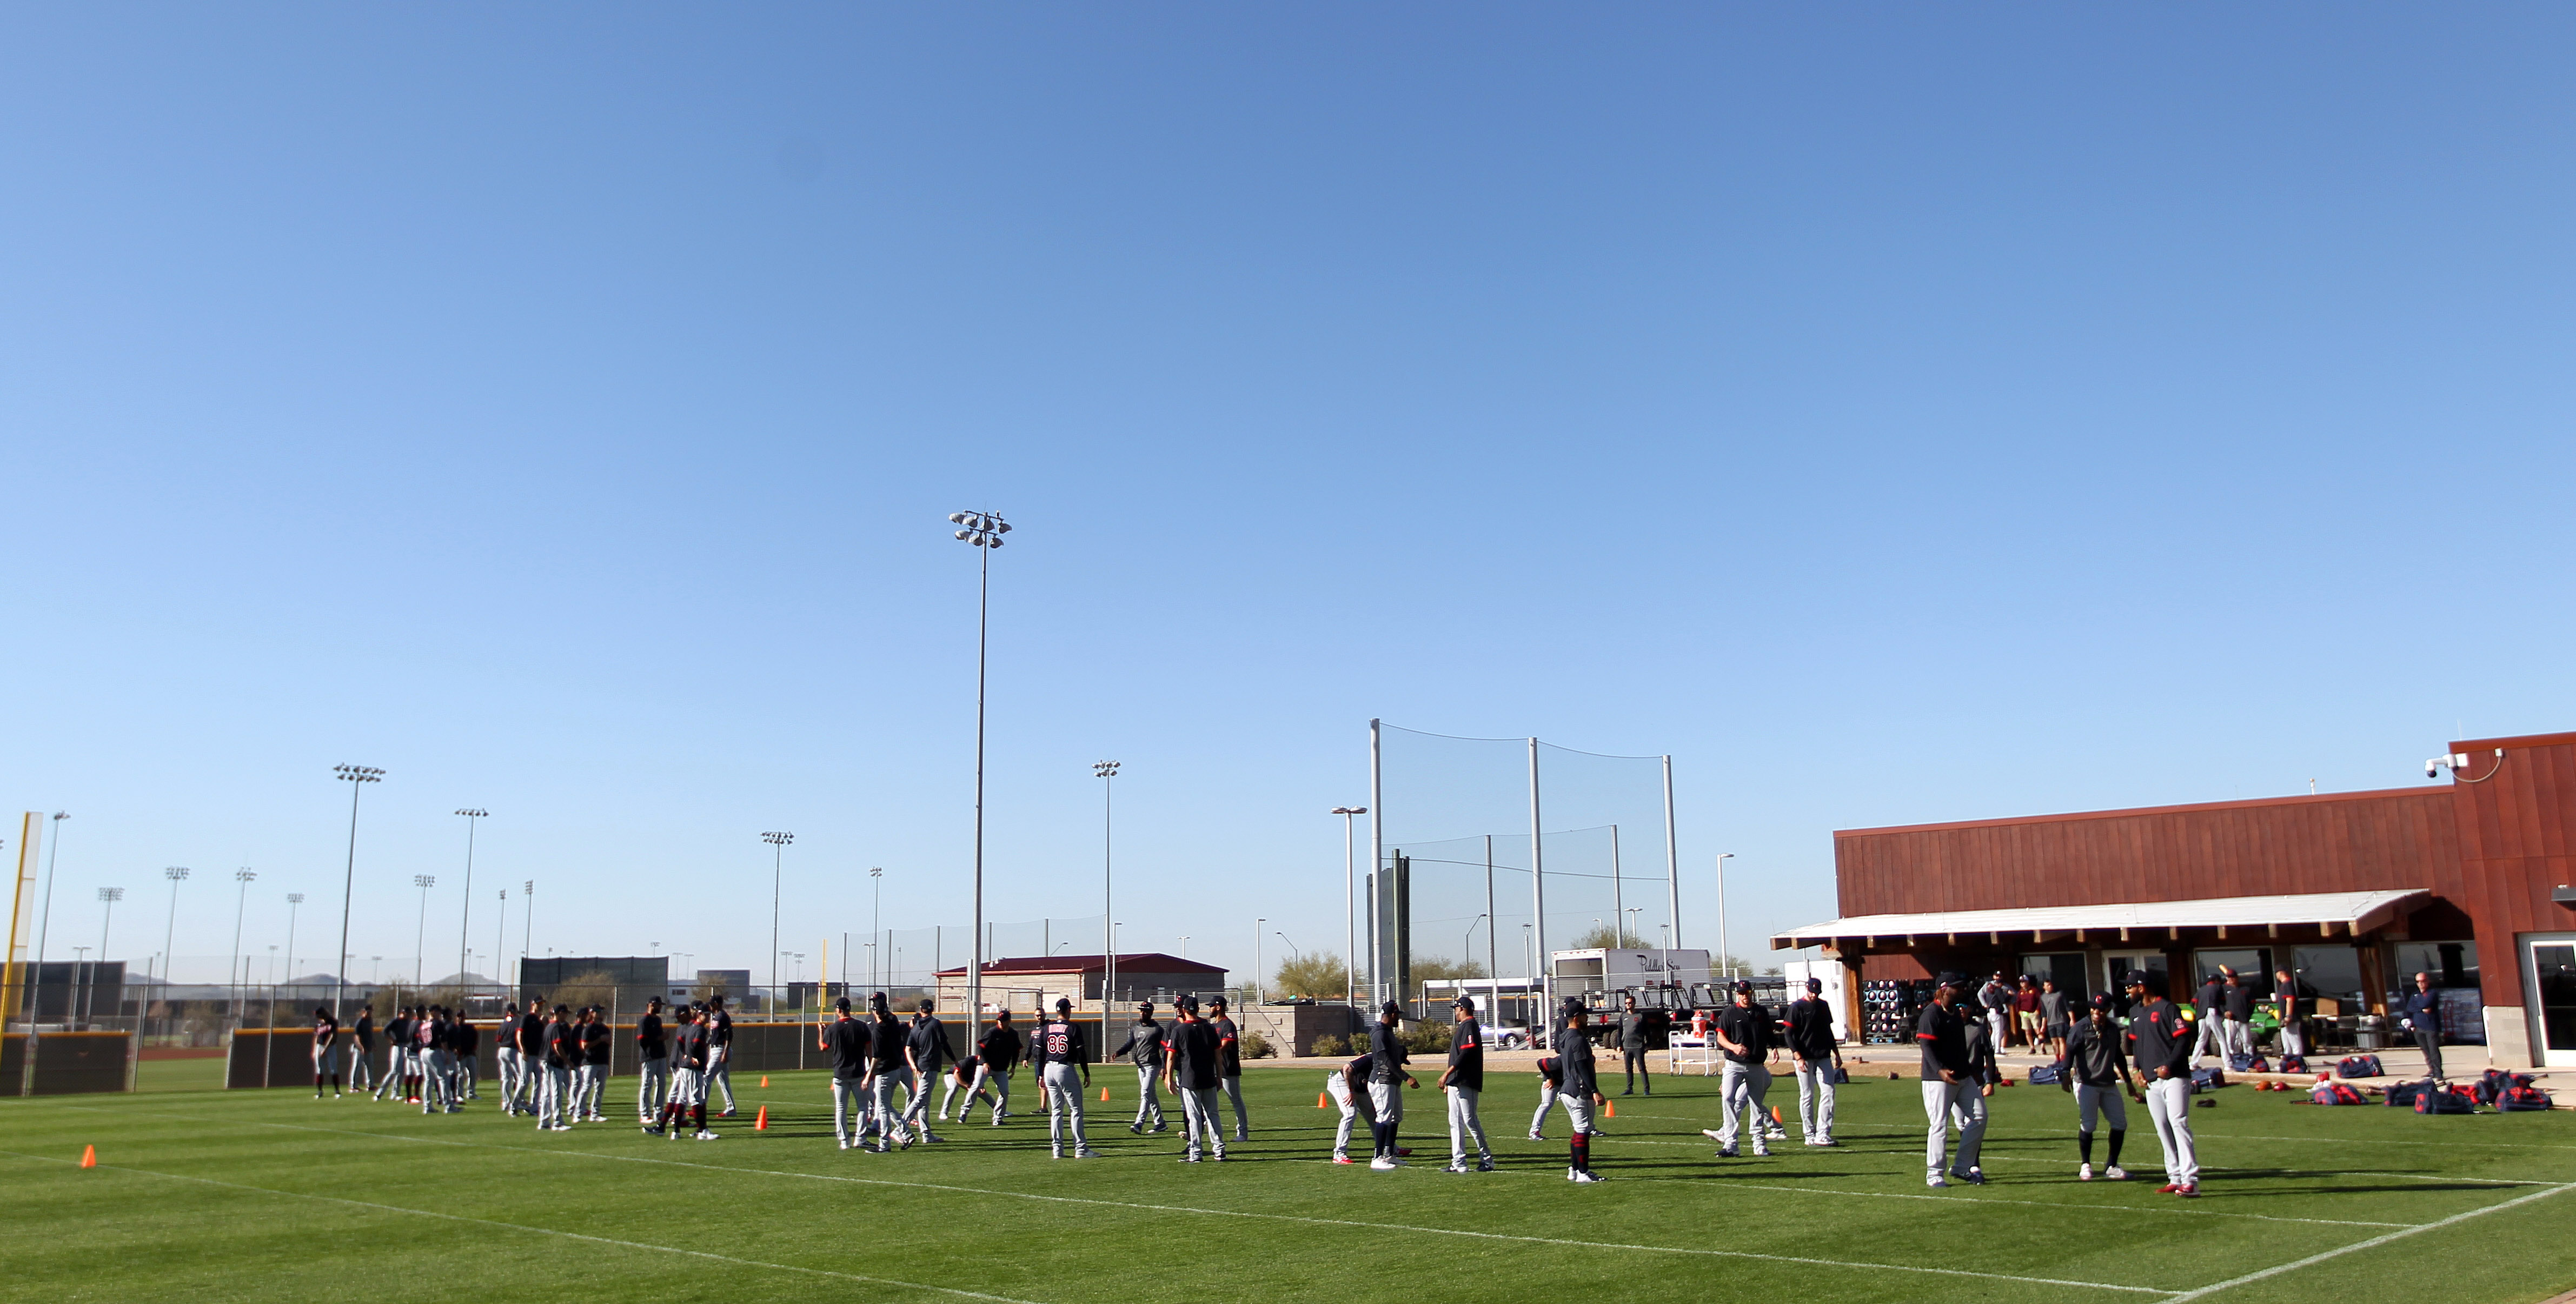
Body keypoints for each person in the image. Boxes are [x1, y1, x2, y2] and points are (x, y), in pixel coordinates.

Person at [2123, 969, 2198, 1196]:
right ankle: (2174, 1177)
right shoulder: (2135, 1012)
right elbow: (2137, 1046)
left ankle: (2190, 1180)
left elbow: (2184, 1039)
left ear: (2141, 987)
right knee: (2162, 1128)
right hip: (2151, 1081)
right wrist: (2136, 1069)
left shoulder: (2167, 1008)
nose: (2127, 991)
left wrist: (2169, 1065)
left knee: (2178, 1123)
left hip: (2175, 1077)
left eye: (2130, 987)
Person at [2061, 993, 2141, 1181]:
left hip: (2108, 1083)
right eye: (2094, 1009)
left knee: (2120, 1123)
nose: (2097, 1012)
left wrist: (2128, 1083)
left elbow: (2118, 1056)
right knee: (2089, 1124)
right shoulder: (2081, 1028)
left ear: (2108, 1010)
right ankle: (2086, 1164)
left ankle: (2112, 1165)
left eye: (2101, 1009)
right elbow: (2070, 1051)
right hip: (2086, 1083)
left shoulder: (2113, 1029)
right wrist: (2065, 1074)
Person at [1917, 972, 1985, 1189]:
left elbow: (1959, 1047)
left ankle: (1962, 1166)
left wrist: (1970, 1070)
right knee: (1939, 1125)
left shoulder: (1955, 1013)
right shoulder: (1931, 1014)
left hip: (1963, 1076)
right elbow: (1926, 1046)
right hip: (1938, 1080)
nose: (1963, 989)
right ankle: (1934, 1175)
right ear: (1945, 990)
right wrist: (1939, 1070)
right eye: (1958, 987)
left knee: (1980, 1117)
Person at [1701, 979, 1777, 1157]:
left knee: (1756, 1104)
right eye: (1742, 993)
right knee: (1728, 1098)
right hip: (1734, 1064)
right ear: (1737, 995)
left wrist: (1774, 1048)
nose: (1745, 996)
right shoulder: (1730, 1012)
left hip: (1756, 1064)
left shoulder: (1761, 1011)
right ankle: (1731, 1144)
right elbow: (1721, 1037)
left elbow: (1769, 1032)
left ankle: (1759, 1144)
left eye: (1747, 993)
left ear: (1752, 993)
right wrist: (1733, 1047)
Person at [1163, 993, 1227, 1162]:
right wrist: (1219, 1076)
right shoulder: (1209, 1028)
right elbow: (1218, 1054)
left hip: (1189, 1079)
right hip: (1208, 1077)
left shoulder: (1179, 1030)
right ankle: (1219, 1150)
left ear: (1184, 1011)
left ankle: (1196, 1152)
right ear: (1198, 1009)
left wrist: (1168, 1078)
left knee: (1194, 1117)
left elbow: (1171, 1057)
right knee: (1213, 1114)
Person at [1031, 997, 1098, 1159]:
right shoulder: (1073, 1027)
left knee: (1056, 1111)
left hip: (1049, 1069)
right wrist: (1086, 1073)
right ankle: (1081, 1149)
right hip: (1064, 1068)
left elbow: (1040, 1053)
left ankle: (1057, 1150)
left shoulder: (1047, 1028)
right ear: (1068, 1010)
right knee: (1076, 1110)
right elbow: (1081, 1053)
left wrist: (1040, 1074)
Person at [1782, 976, 1841, 1147]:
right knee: (1808, 1095)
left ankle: (1823, 1133)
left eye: (1817, 992)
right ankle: (1809, 1134)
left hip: (1823, 1055)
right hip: (1804, 1057)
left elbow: (1828, 1032)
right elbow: (1788, 1035)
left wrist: (1837, 1054)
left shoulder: (1823, 1006)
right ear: (1807, 989)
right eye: (1812, 992)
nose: (1814, 995)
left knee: (1829, 1092)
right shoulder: (1797, 1007)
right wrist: (1798, 1057)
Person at [1437, 994, 1493, 1173]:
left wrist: (1447, 1074)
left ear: (1462, 1008)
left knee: (1470, 1120)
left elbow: (1466, 1053)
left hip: (1467, 1080)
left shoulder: (1470, 1025)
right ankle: (1459, 1161)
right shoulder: (1464, 1026)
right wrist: (1450, 1080)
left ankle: (1487, 1159)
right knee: (1455, 1121)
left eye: (1456, 1008)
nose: (1455, 1012)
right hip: (1456, 1081)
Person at [1363, 1001, 1419, 1170]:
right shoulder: (1380, 1034)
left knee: (1396, 1117)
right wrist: (1407, 1077)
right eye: (1397, 1015)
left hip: (1392, 1080)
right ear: (1393, 1015)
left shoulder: (1387, 1032)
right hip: (1382, 1080)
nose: (1398, 1019)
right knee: (1384, 1118)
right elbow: (1385, 1061)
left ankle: (1389, 1155)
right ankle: (1377, 1157)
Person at [1554, 998, 1606, 1182]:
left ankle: (1574, 1169)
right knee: (1583, 1131)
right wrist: (1595, 1090)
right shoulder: (1578, 1039)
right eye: (1585, 1015)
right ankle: (1583, 1173)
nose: (1587, 1018)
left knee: (1578, 1131)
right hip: (1579, 1091)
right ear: (1577, 1018)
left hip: (1567, 1089)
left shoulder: (1565, 1038)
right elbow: (1582, 1066)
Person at [1951, 988, 1999, 1181]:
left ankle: (1974, 1165)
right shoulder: (1948, 1027)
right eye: (1958, 1005)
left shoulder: (1978, 1029)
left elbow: (1989, 1055)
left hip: (1974, 1081)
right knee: (1961, 1125)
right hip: (1952, 1082)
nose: (1961, 1009)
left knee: (1975, 1122)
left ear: (1970, 1008)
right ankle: (1964, 1164)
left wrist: (1990, 1081)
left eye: (1964, 1006)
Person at [818, 996, 872, 1149]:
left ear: (838, 1010)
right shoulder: (862, 1026)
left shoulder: (833, 1028)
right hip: (859, 1073)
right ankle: (860, 1139)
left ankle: (844, 1141)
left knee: (841, 1108)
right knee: (863, 1107)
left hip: (840, 1074)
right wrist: (871, 1072)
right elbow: (870, 1052)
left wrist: (821, 1032)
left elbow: (823, 1047)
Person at [864, 993, 915, 1150]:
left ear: (875, 1012)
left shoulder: (878, 1030)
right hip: (896, 1069)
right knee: (885, 1106)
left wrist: (868, 1076)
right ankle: (906, 1133)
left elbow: (877, 1057)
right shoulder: (892, 1022)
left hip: (884, 1072)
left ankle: (885, 1144)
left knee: (883, 1109)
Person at [660, 1003, 718, 1140]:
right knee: (696, 1099)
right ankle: (703, 1131)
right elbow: (697, 1045)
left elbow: (680, 1040)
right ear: (699, 1014)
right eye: (706, 1015)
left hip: (685, 1067)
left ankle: (676, 1131)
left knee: (682, 1099)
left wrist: (686, 1054)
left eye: (709, 1015)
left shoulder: (691, 1026)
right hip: (693, 1068)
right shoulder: (700, 1029)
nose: (708, 1017)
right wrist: (694, 1056)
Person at [949, 1010, 1017, 1124]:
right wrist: (985, 1062)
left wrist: (1013, 1067)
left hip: (1001, 1068)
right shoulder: (992, 1032)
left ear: (1009, 1021)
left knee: (1004, 1092)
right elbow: (980, 1047)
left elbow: (1016, 1051)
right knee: (976, 1087)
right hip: (985, 1066)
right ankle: (964, 1113)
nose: (1000, 1022)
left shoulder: (1013, 1034)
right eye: (999, 1020)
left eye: (1003, 1020)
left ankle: (998, 1119)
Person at [1114, 1001, 1169, 1134]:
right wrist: (1119, 1053)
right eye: (1141, 1010)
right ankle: (1160, 1123)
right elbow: (1129, 1044)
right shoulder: (1136, 1028)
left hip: (1153, 1065)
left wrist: (1164, 1067)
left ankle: (1139, 1123)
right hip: (1141, 1066)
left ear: (1151, 1013)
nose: (1142, 1013)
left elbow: (1164, 1049)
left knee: (1145, 1093)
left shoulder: (1158, 1030)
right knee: (1151, 1094)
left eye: (1145, 1011)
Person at [901, 999, 948, 1143]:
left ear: (921, 1010)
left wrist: (913, 1066)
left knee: (924, 1101)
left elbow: (908, 1049)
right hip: (930, 1066)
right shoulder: (935, 1023)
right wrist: (955, 1059)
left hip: (921, 1066)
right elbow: (944, 1043)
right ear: (932, 1009)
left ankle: (926, 1135)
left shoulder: (916, 1026)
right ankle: (900, 1128)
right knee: (921, 1099)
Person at [1207, 995, 1251, 1142]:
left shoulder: (1228, 1025)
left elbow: (1225, 1046)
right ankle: (1197, 1129)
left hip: (1228, 1069)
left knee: (1236, 1100)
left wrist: (1210, 1057)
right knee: (1206, 1101)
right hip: (1214, 1070)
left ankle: (1243, 1133)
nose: (1210, 1009)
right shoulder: (1213, 1026)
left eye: (1211, 1006)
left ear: (1218, 1007)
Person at [1324, 1052, 1377, 1163]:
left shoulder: (1389, 1061)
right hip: (1341, 1082)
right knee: (1350, 1114)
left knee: (1374, 1116)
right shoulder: (1370, 1058)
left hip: (1360, 1089)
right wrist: (1351, 1091)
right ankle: (1339, 1153)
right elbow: (1347, 1069)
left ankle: (1390, 1148)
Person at [538, 1004, 576, 1133]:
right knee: (556, 1092)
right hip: (553, 1062)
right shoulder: (556, 1027)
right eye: (565, 1013)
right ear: (559, 1013)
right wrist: (568, 1061)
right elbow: (557, 1047)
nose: (566, 1016)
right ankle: (557, 1122)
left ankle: (544, 1121)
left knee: (547, 1093)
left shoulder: (550, 1026)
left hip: (546, 1061)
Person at [2401, 971, 2446, 1082]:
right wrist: (2421, 1010)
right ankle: (2432, 1070)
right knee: (2426, 1051)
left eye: (2423, 981)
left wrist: (2419, 1007)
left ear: (2428, 981)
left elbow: (2426, 1004)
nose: (2421, 984)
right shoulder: (2415, 995)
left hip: (2431, 1027)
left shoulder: (2432, 993)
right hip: (2418, 1027)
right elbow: (2410, 1008)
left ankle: (2438, 1073)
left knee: (2433, 1050)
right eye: (2418, 982)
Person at [634, 997, 669, 1126]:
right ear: (651, 1005)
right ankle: (644, 1114)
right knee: (647, 1084)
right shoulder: (645, 1021)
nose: (660, 1007)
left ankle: (659, 1113)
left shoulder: (658, 1019)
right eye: (659, 1005)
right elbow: (642, 1041)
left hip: (660, 1055)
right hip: (649, 1056)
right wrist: (660, 1038)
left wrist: (662, 1038)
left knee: (661, 1084)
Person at [510, 1000, 547, 1117]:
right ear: (533, 1005)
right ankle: (514, 1107)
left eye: (542, 1004)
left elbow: (543, 1038)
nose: (541, 1006)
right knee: (525, 1081)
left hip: (537, 1055)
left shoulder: (540, 1020)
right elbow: (519, 1035)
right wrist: (523, 1050)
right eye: (539, 1004)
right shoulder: (527, 1018)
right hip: (526, 1054)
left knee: (539, 1081)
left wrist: (544, 1024)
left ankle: (534, 1108)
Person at [577, 1006, 613, 1121]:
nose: (601, 1014)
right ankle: (578, 1113)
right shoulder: (589, 1028)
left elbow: (610, 1043)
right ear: (592, 1013)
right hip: (591, 1062)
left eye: (602, 1012)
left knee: (600, 1088)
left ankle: (595, 1114)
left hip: (603, 1061)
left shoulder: (605, 1028)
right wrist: (600, 1040)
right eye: (598, 1012)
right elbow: (584, 1045)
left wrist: (607, 1040)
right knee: (586, 1087)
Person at [705, 995, 737, 1116]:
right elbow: (714, 1035)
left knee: (707, 1078)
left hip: (721, 1050)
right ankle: (731, 1108)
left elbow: (729, 1035)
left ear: (717, 1004)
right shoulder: (715, 1016)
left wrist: (725, 1052)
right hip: (715, 1049)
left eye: (712, 1004)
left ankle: (700, 1107)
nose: (710, 1006)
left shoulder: (723, 1016)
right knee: (723, 1081)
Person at [373, 1006, 412, 1102]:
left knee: (402, 1072)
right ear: (403, 1013)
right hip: (397, 1046)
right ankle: (379, 1093)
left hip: (405, 1046)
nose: (409, 1015)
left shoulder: (408, 1022)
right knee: (394, 1070)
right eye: (408, 1013)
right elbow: (385, 1032)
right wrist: (392, 1040)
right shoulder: (396, 1021)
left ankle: (395, 1094)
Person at [1617, 994, 1651, 1096]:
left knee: (1642, 1068)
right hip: (1627, 1046)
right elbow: (1620, 1031)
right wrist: (1619, 1045)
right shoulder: (1623, 1016)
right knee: (1628, 1068)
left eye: (1630, 1003)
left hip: (1638, 1046)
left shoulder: (1640, 1016)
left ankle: (1646, 1089)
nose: (1628, 1005)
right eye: (1626, 1003)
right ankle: (1629, 1088)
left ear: (1634, 1003)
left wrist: (1648, 1045)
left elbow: (1647, 1031)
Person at [2220, 968, 2255, 1065]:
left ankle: (2250, 1060)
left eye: (2233, 977)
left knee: (2247, 1041)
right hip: (2230, 1020)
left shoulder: (2246, 989)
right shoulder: (2224, 989)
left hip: (2243, 1019)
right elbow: (2220, 1004)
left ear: (2237, 978)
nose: (2231, 979)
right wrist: (2225, 1012)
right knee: (2230, 1041)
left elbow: (2252, 1004)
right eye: (2229, 977)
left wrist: (2248, 1015)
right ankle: (2233, 1061)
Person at [2192, 970, 2227, 1063]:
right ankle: (2228, 1064)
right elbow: (2223, 1002)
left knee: (2201, 1040)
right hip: (2212, 1012)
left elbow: (2192, 1003)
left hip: (2201, 1015)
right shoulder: (2219, 987)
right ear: (2216, 981)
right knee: (2221, 1039)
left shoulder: (2201, 989)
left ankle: (2193, 1064)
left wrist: (2198, 1010)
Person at [2273, 969, 2306, 1059]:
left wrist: (2288, 1016)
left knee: (2294, 1040)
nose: (2276, 975)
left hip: (2291, 1019)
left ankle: (2298, 1060)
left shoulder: (2288, 984)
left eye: (2277, 973)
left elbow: (2290, 1001)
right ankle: (2287, 1061)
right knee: (2286, 1043)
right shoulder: (2282, 986)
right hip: (2284, 1019)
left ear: (2281, 973)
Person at [311, 1006, 342, 1098]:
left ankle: (337, 1091)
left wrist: (325, 1049)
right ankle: (320, 1091)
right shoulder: (318, 1024)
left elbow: (333, 1036)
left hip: (330, 1047)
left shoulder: (333, 1021)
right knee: (319, 1070)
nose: (318, 1017)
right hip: (319, 1046)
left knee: (333, 1069)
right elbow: (316, 1037)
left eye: (319, 1015)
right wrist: (314, 1050)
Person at [1977, 972, 2012, 1050]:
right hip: (1996, 1012)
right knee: (1999, 1032)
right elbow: (2003, 1000)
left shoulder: (1989, 992)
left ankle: (1992, 1047)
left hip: (1990, 1012)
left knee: (1995, 1031)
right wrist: (2009, 995)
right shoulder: (1997, 990)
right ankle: (1998, 1049)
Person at [450, 1012, 480, 1101]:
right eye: (458, 1016)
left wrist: (473, 1049)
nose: (460, 1018)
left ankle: (471, 1093)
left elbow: (475, 1038)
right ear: (456, 1017)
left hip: (470, 1053)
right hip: (460, 1055)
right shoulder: (454, 1028)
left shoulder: (469, 1028)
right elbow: (452, 1042)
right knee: (460, 1075)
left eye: (462, 1017)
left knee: (473, 1073)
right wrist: (457, 1052)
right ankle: (459, 1094)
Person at [2039, 979, 2072, 1060]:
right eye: (2048, 985)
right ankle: (2057, 1059)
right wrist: (2043, 1025)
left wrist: (2072, 1019)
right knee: (2054, 1041)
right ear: (2044, 987)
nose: (2050, 987)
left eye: (2051, 985)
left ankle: (2063, 1059)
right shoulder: (2042, 997)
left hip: (2060, 1021)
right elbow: (2044, 1013)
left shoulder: (2059, 994)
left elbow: (2068, 1007)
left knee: (2062, 1040)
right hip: (2050, 1023)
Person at [347, 1004, 376, 1094]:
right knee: (357, 1067)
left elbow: (371, 1034)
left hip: (368, 1047)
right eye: (368, 1011)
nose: (370, 1013)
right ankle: (353, 1086)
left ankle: (370, 1085)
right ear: (364, 1012)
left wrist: (373, 1044)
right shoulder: (360, 1022)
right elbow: (357, 1036)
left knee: (370, 1067)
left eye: (371, 1011)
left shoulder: (370, 1021)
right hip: (359, 1049)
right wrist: (361, 1047)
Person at [2014, 975, 2044, 1049]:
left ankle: (2043, 1046)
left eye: (2024, 982)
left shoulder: (2034, 990)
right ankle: (2032, 1047)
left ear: (2028, 982)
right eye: (2021, 982)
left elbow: (2040, 1001)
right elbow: (2018, 1003)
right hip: (2024, 1013)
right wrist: (2019, 1011)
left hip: (2034, 1013)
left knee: (2037, 1030)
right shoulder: (2020, 992)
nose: (2022, 983)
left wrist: (2038, 1010)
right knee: (2027, 1031)